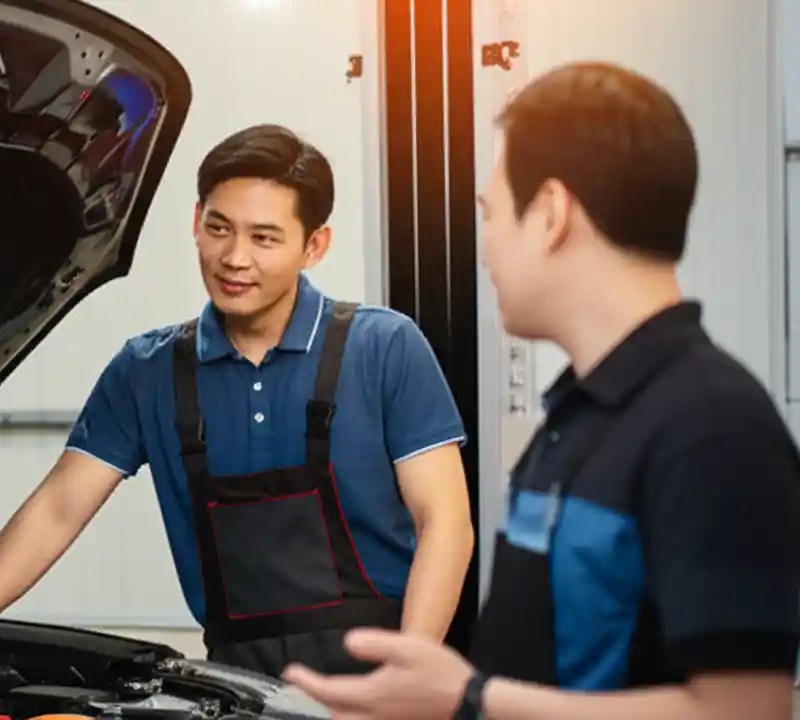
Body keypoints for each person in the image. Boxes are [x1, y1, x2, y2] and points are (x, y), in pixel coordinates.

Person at [0, 124, 475, 694]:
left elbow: (444, 521)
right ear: (196, 218)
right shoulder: (148, 370)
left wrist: (410, 676)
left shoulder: (382, 347)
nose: (234, 258)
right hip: (239, 690)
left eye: (265, 238)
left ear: (315, 246)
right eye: (219, 227)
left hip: (384, 675)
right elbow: (58, 509)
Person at [283, 61, 800, 719]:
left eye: (491, 214)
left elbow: (745, 712)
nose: (486, 246)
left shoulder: (714, 428)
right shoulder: (577, 421)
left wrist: (468, 697)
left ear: (551, 213)